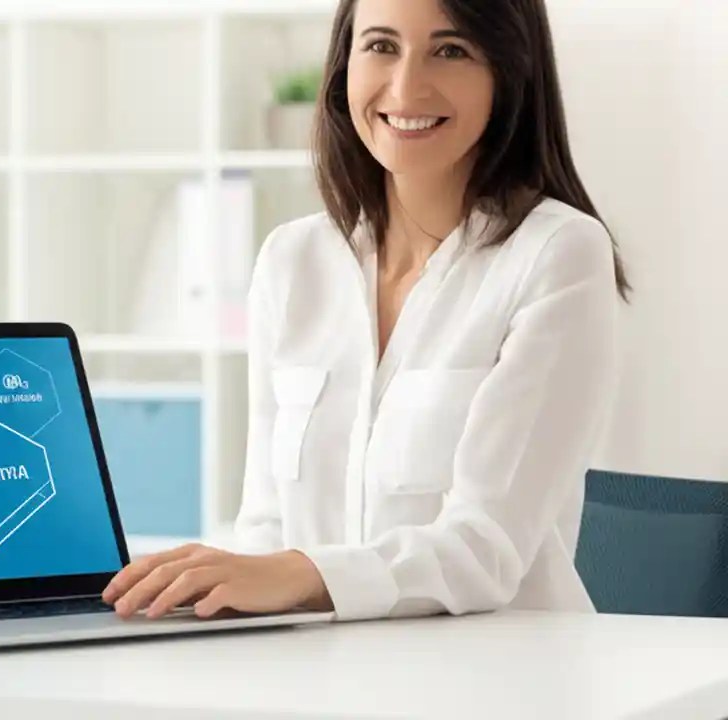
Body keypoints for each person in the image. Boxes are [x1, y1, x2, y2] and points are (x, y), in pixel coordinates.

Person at [102, 0, 629, 622]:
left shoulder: (557, 253)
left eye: (450, 50)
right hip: (324, 674)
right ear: (343, 67)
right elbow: (267, 526)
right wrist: (205, 595)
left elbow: (484, 550)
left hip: (504, 681)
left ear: (509, 73)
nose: (406, 87)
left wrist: (296, 574)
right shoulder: (292, 260)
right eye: (381, 47)